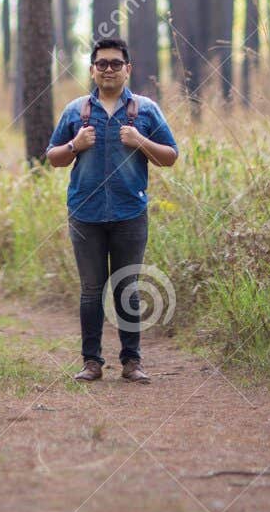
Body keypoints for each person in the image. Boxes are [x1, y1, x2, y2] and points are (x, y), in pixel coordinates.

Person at [46, 37, 178, 383]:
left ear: (127, 69)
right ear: (92, 70)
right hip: (84, 214)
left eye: (115, 64)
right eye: (101, 63)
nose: (108, 69)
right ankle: (92, 362)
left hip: (129, 213)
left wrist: (141, 141)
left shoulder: (146, 110)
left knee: (127, 287)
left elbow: (170, 156)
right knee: (91, 290)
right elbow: (53, 157)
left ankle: (131, 362)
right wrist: (76, 145)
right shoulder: (76, 111)